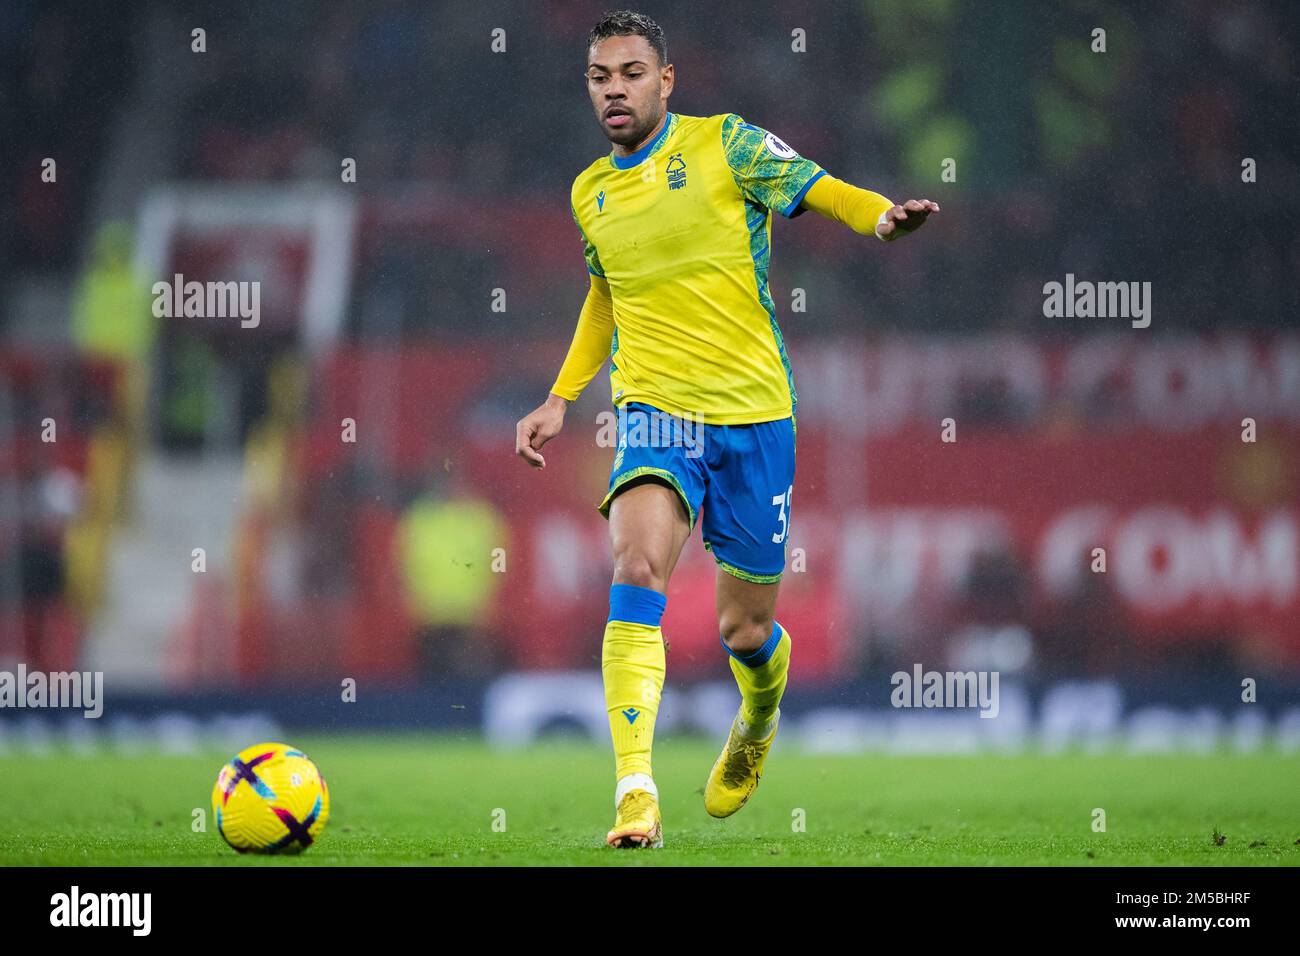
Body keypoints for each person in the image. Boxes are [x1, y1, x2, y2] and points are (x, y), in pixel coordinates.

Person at [514, 10, 938, 848]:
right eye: (600, 77)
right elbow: (608, 296)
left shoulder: (727, 144)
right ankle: (636, 791)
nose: (615, 91)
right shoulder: (589, 193)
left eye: (631, 73)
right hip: (654, 413)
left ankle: (758, 715)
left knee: (744, 628)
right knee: (636, 565)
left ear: (665, 80)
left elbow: (814, 184)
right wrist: (561, 396)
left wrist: (879, 217)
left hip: (754, 415)